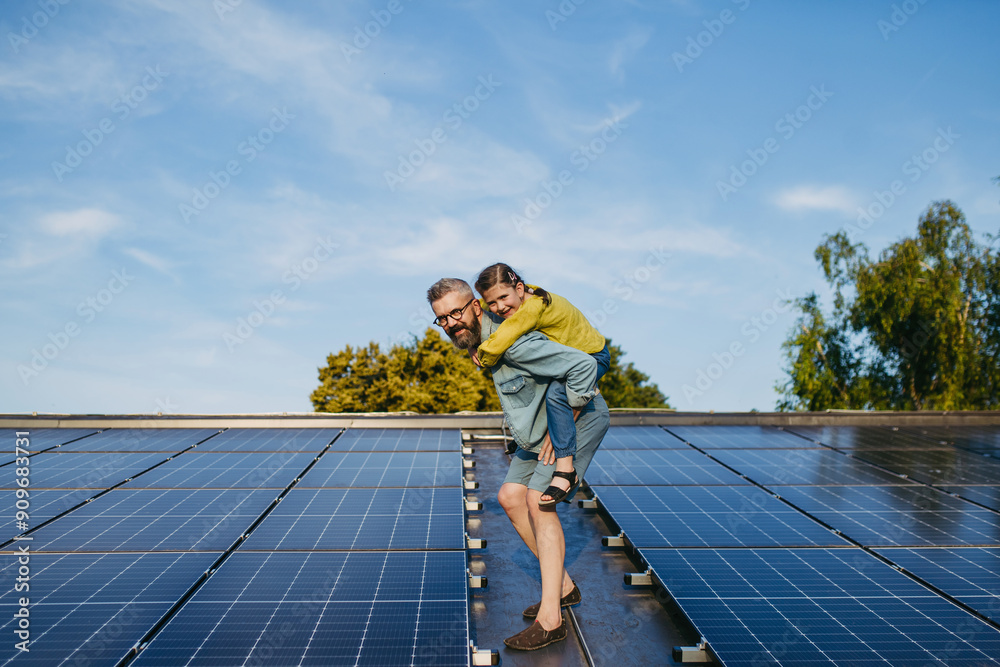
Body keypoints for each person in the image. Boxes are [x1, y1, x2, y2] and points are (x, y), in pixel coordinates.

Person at [427, 277, 610, 651]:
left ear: (477, 306)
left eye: (456, 312)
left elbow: (582, 366)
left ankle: (551, 620)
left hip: (579, 419)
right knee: (511, 496)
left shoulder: (514, 344)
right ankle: (563, 586)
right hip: (539, 432)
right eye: (442, 319)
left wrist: (566, 426)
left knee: (538, 501)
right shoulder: (488, 343)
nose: (450, 323)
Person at [473, 263, 610, 508]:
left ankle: (566, 469)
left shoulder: (532, 307)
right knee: (547, 387)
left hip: (592, 356)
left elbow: (507, 333)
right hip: (578, 358)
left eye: (504, 297)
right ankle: (538, 436)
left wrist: (481, 353)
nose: (499, 307)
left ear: (519, 287)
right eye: (491, 303)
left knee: (557, 395)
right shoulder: (533, 295)